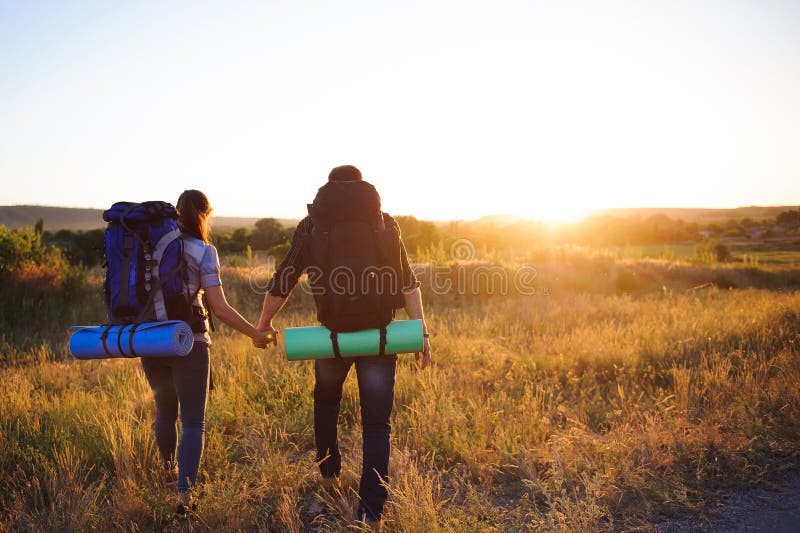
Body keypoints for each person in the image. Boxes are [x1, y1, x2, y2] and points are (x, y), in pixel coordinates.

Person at [255, 165, 432, 524]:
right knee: (377, 423)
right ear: (364, 187)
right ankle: (371, 510)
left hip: (332, 335)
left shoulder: (313, 224)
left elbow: (284, 278)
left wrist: (263, 323)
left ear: (329, 188)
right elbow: (408, 282)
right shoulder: (384, 222)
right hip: (380, 335)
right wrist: (421, 333)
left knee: (326, 401)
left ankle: (329, 472)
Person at [140, 189, 271, 518]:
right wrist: (254, 333)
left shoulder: (148, 249)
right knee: (194, 421)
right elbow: (220, 308)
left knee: (164, 411)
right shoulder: (203, 251)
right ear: (203, 214)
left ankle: (170, 473)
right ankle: (185, 497)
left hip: (148, 339)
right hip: (189, 341)